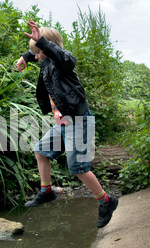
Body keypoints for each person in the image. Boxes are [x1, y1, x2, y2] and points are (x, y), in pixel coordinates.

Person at [16, 20, 118, 229]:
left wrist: (42, 43)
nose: (36, 57)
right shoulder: (45, 63)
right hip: (63, 125)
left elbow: (61, 57)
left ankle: (106, 201)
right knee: (41, 151)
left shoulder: (63, 62)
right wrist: (25, 57)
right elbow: (39, 58)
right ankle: (46, 191)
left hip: (79, 121)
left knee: (78, 167)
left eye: (38, 51)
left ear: (47, 46)